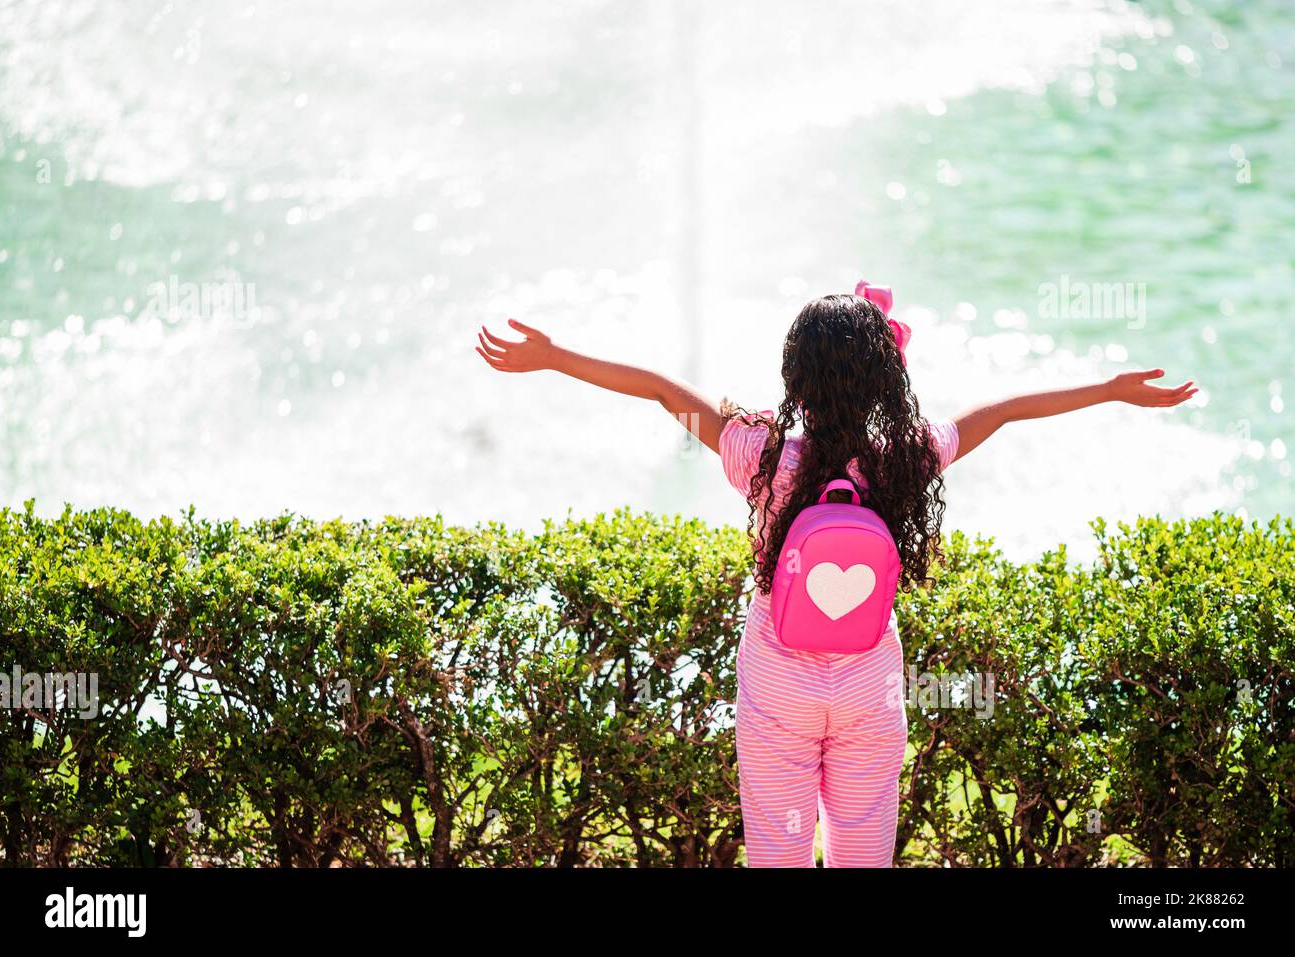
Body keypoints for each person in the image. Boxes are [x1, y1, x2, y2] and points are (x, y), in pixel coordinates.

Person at [474, 281, 1196, 866]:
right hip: (867, 684)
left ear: (796, 375)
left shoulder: (757, 452)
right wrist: (1108, 388)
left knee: (780, 856)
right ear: (886, 374)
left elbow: (665, 392)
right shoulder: (907, 459)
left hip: (778, 684)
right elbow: (1002, 413)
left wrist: (555, 355)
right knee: (861, 854)